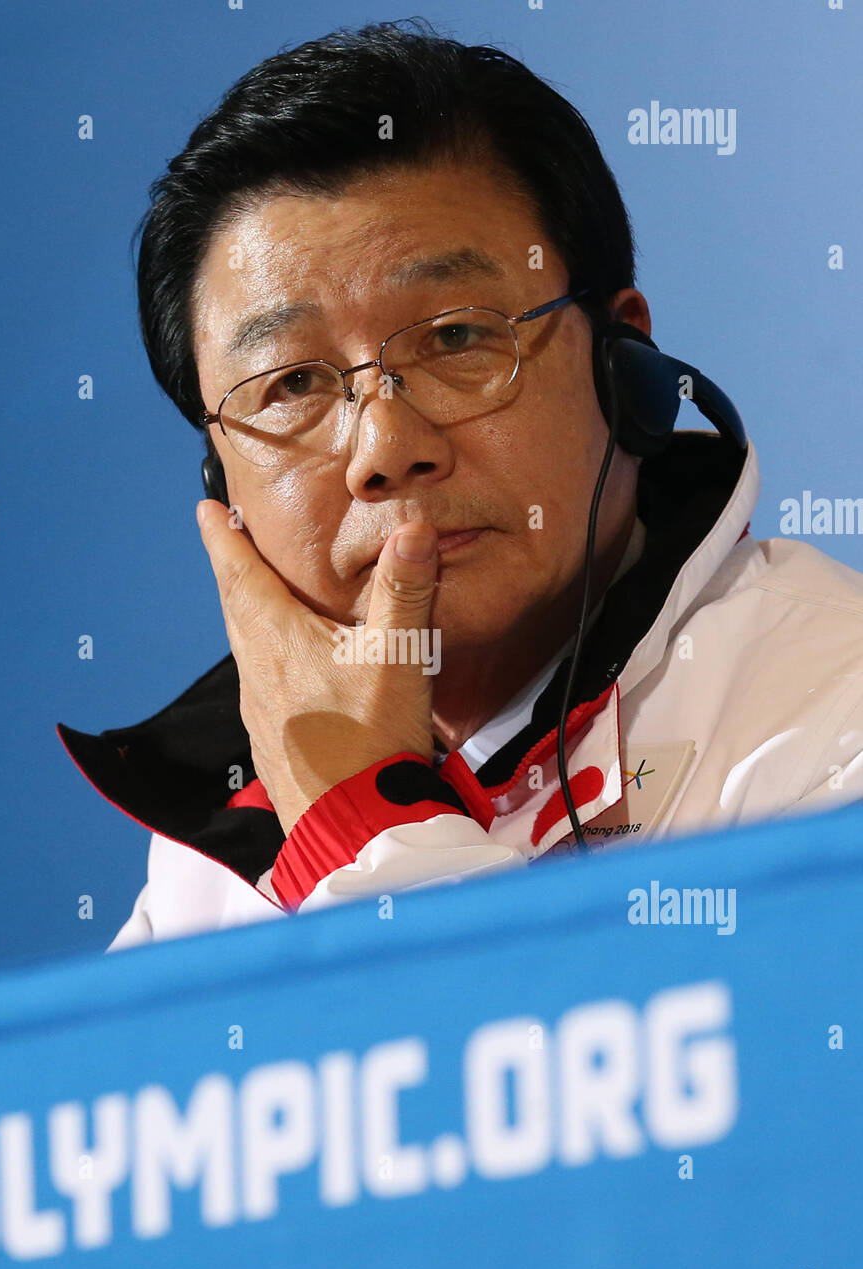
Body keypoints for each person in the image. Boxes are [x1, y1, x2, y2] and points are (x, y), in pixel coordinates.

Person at [57, 20, 863, 951]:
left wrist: (365, 835)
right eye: (293, 385)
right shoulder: (207, 868)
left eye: (456, 337)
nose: (386, 448)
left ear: (623, 361)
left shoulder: (832, 717)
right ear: (223, 486)